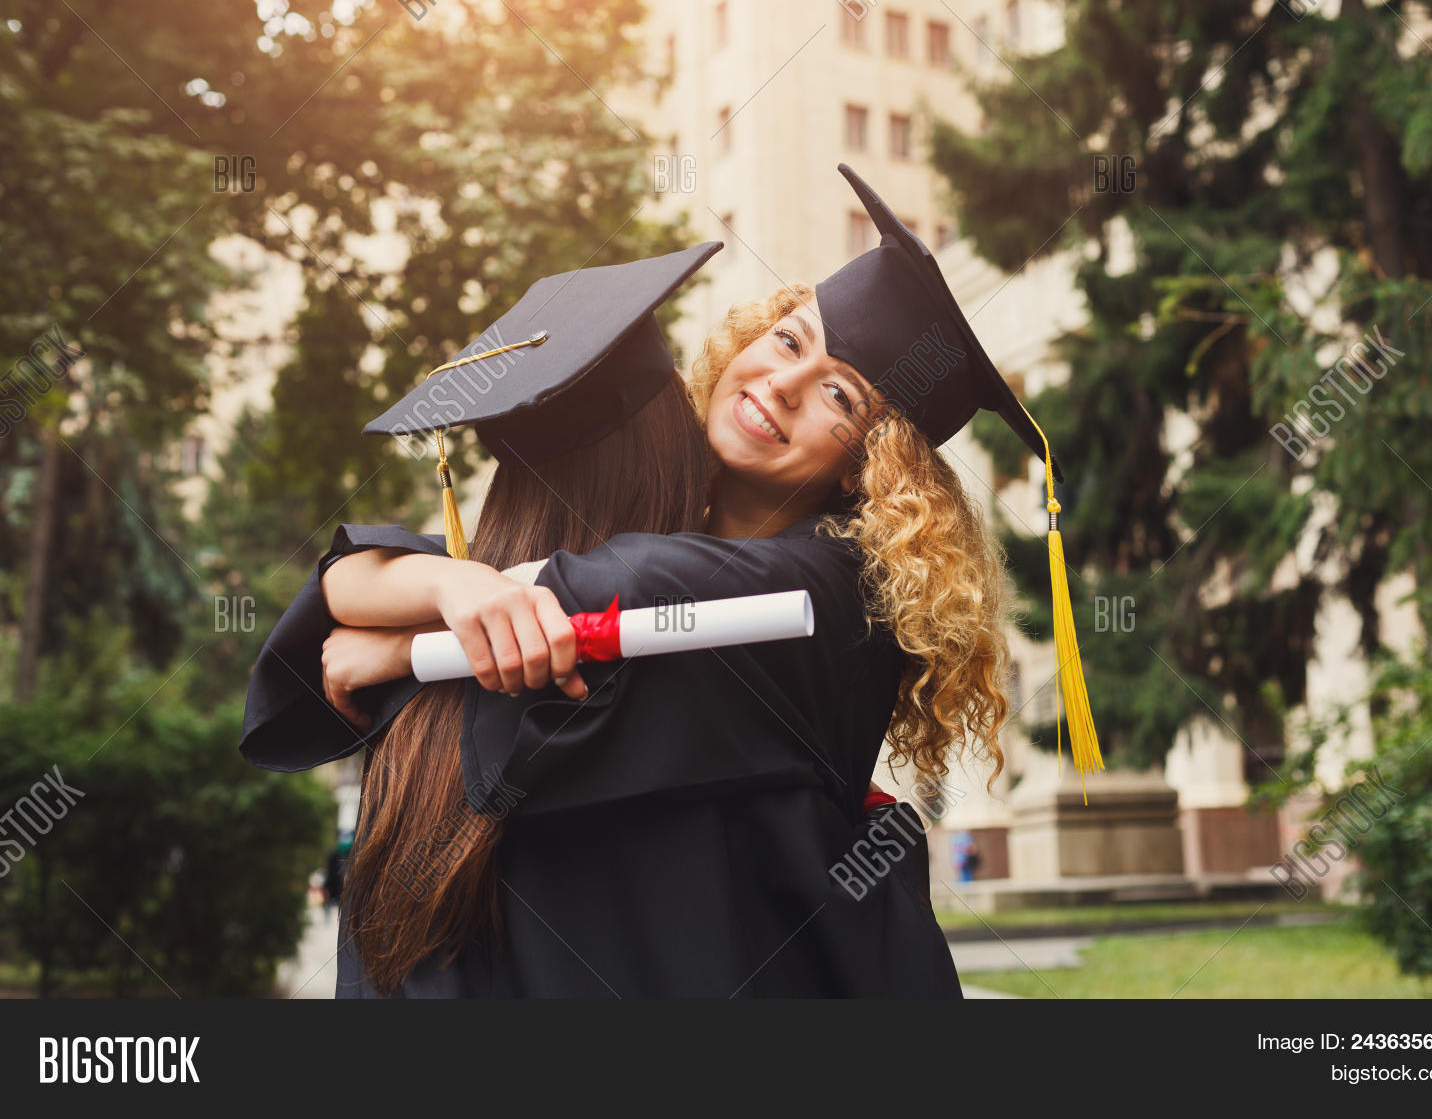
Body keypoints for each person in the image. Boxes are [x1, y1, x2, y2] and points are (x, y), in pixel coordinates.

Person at [246, 165, 1098, 996]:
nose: (784, 384)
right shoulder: (639, 509)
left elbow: (626, 592)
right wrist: (446, 596)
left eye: (840, 395)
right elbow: (355, 584)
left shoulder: (840, 596)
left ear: (876, 464)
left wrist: (398, 648)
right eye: (790, 340)